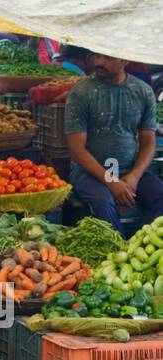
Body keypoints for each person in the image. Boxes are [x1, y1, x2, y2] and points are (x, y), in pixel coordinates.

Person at [65, 51, 162, 237]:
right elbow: (77, 149)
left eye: (108, 58)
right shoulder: (81, 93)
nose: (99, 62)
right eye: (96, 56)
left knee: (160, 196)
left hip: (129, 170)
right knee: (103, 202)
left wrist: (134, 175)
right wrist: (111, 181)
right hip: (89, 173)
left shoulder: (142, 91)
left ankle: (145, 248)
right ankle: (117, 254)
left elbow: (148, 141)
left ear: (125, 59)